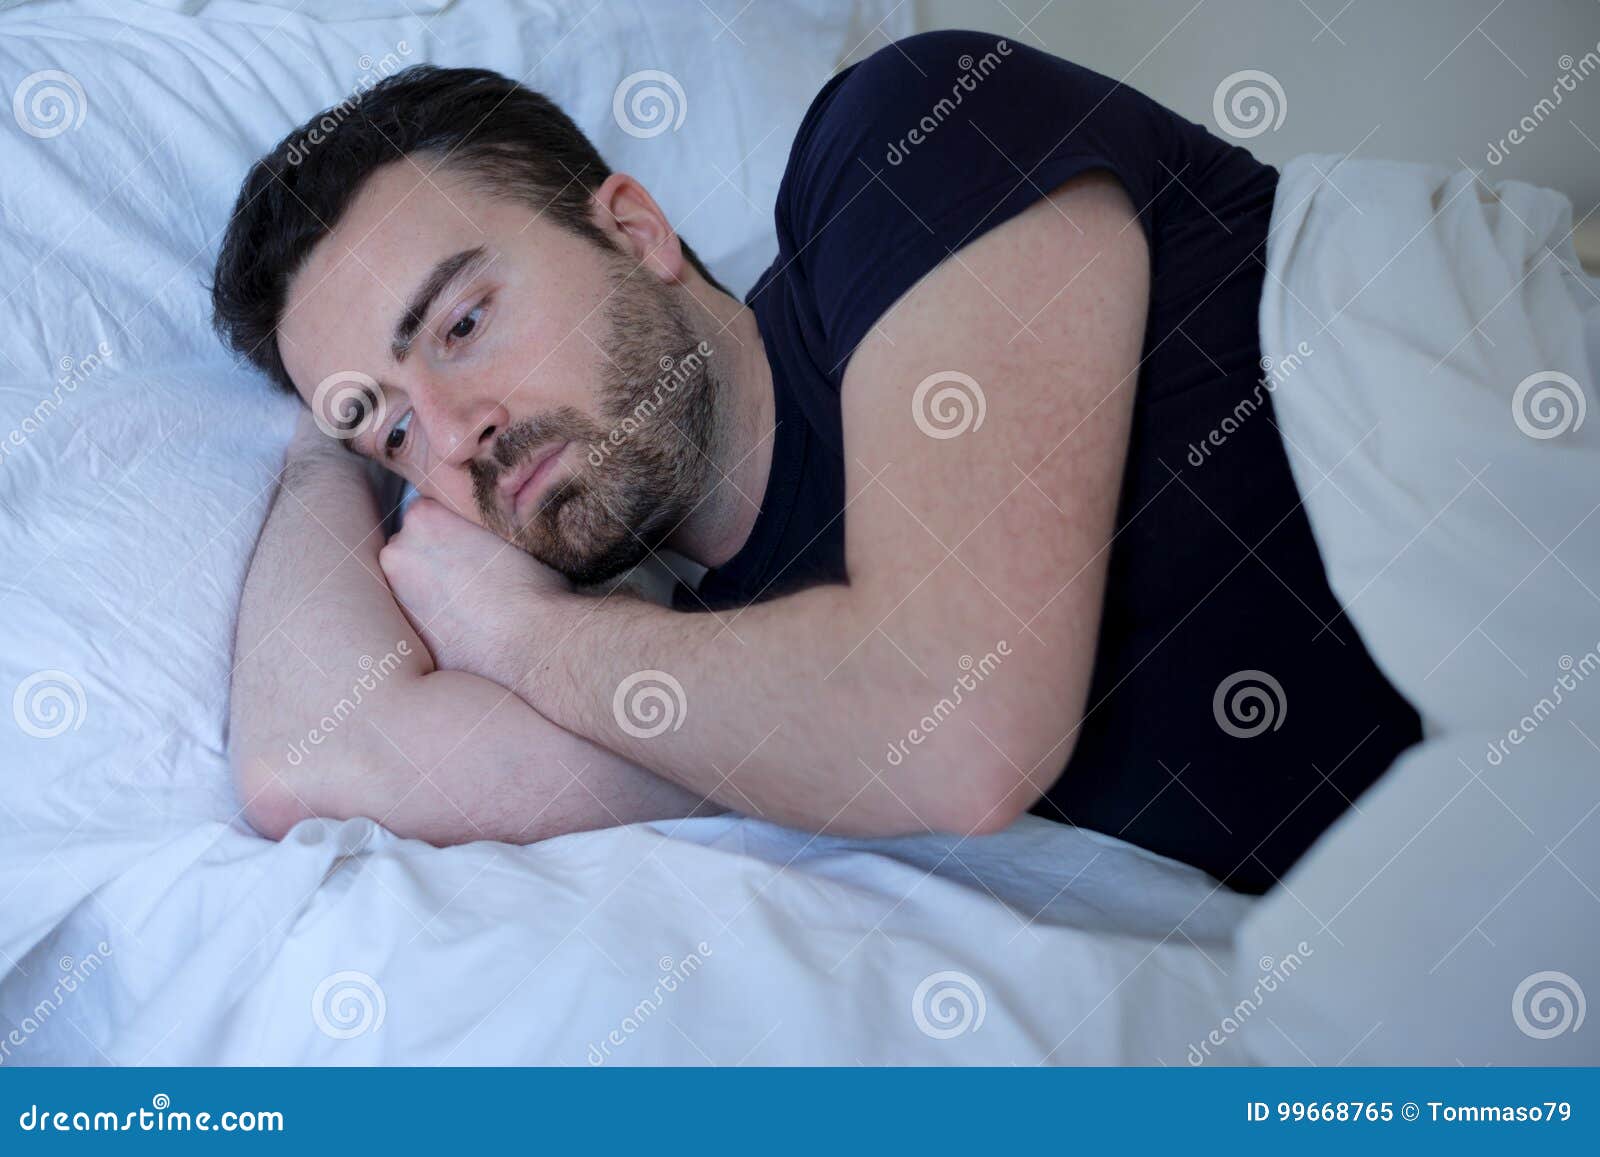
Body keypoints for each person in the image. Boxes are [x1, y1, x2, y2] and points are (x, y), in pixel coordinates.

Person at [211, 31, 1419, 893]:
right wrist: (329, 446)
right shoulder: (725, 683)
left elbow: (955, 724)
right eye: (398, 429)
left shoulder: (902, 141)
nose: (456, 432)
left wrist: (520, 637)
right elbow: (309, 758)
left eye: (465, 324)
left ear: (632, 228)